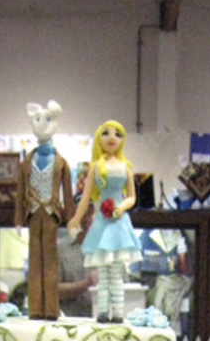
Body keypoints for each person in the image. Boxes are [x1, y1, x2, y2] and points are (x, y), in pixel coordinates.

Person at [68, 120, 139, 323]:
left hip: (118, 222)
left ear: (122, 140)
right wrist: (76, 218)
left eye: (117, 134)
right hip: (101, 221)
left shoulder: (126, 167)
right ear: (99, 137)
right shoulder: (95, 168)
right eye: (106, 133)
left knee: (116, 271)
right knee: (103, 272)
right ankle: (102, 312)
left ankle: (117, 312)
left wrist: (121, 207)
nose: (111, 137)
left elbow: (132, 197)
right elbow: (86, 197)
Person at [14, 100, 74, 320]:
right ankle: (36, 308)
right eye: (39, 120)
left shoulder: (61, 163)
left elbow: (67, 193)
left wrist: (72, 221)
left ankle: (50, 308)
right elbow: (20, 192)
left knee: (50, 264)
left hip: (51, 215)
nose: (43, 124)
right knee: (34, 263)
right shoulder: (27, 162)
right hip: (33, 215)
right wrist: (19, 219)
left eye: (47, 120)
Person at [56, 202, 96, 317]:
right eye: (82, 214)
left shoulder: (109, 249)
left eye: (90, 214)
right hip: (70, 322)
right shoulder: (61, 249)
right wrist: (86, 284)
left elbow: (126, 288)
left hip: (104, 323)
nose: (87, 219)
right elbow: (53, 290)